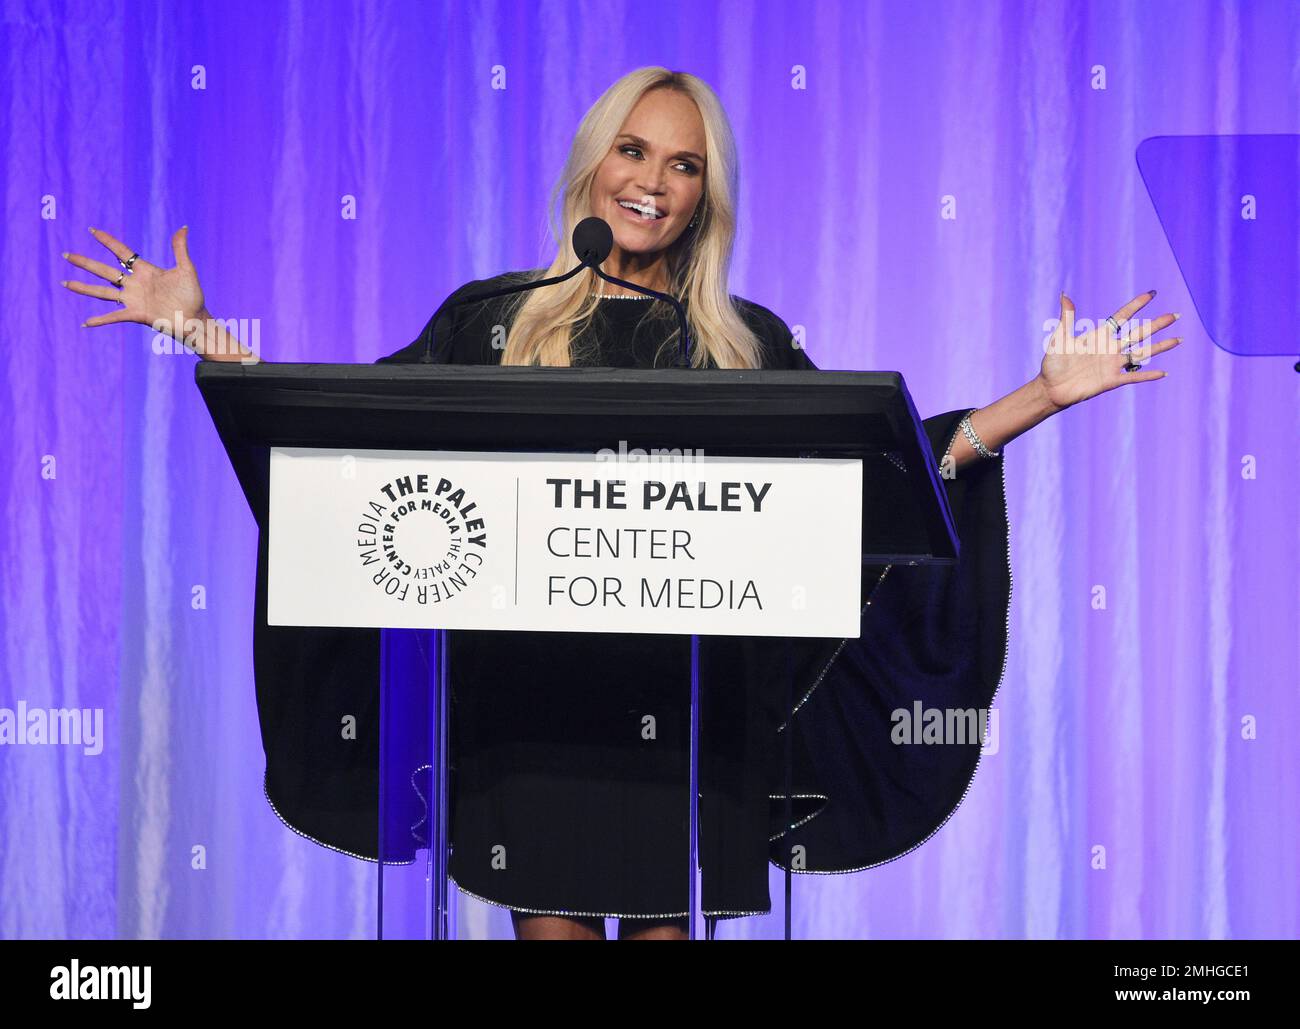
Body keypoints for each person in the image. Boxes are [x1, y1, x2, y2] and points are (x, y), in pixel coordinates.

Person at [61, 67, 1182, 940]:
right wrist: (202, 335)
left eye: (683, 164)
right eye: (633, 151)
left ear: (708, 194)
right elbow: (349, 452)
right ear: (593, 168)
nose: (652, 179)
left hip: (690, 728)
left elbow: (869, 496)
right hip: (528, 720)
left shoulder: (746, 346)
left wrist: (1040, 395)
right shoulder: (497, 324)